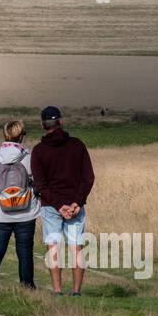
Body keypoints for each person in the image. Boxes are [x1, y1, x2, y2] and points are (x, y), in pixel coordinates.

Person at [30, 106, 95, 296]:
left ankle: (57, 290)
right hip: (75, 207)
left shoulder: (39, 151)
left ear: (43, 124)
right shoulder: (77, 145)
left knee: (53, 248)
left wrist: (59, 206)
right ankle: (76, 291)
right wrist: (76, 202)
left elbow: (41, 186)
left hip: (52, 207)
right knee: (76, 248)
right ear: (61, 122)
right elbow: (88, 178)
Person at [0, 120, 40, 299]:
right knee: (25, 252)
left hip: (0, 212)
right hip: (26, 211)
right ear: (21, 136)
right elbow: (35, 179)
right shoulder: (29, 157)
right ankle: (27, 290)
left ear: (5, 135)